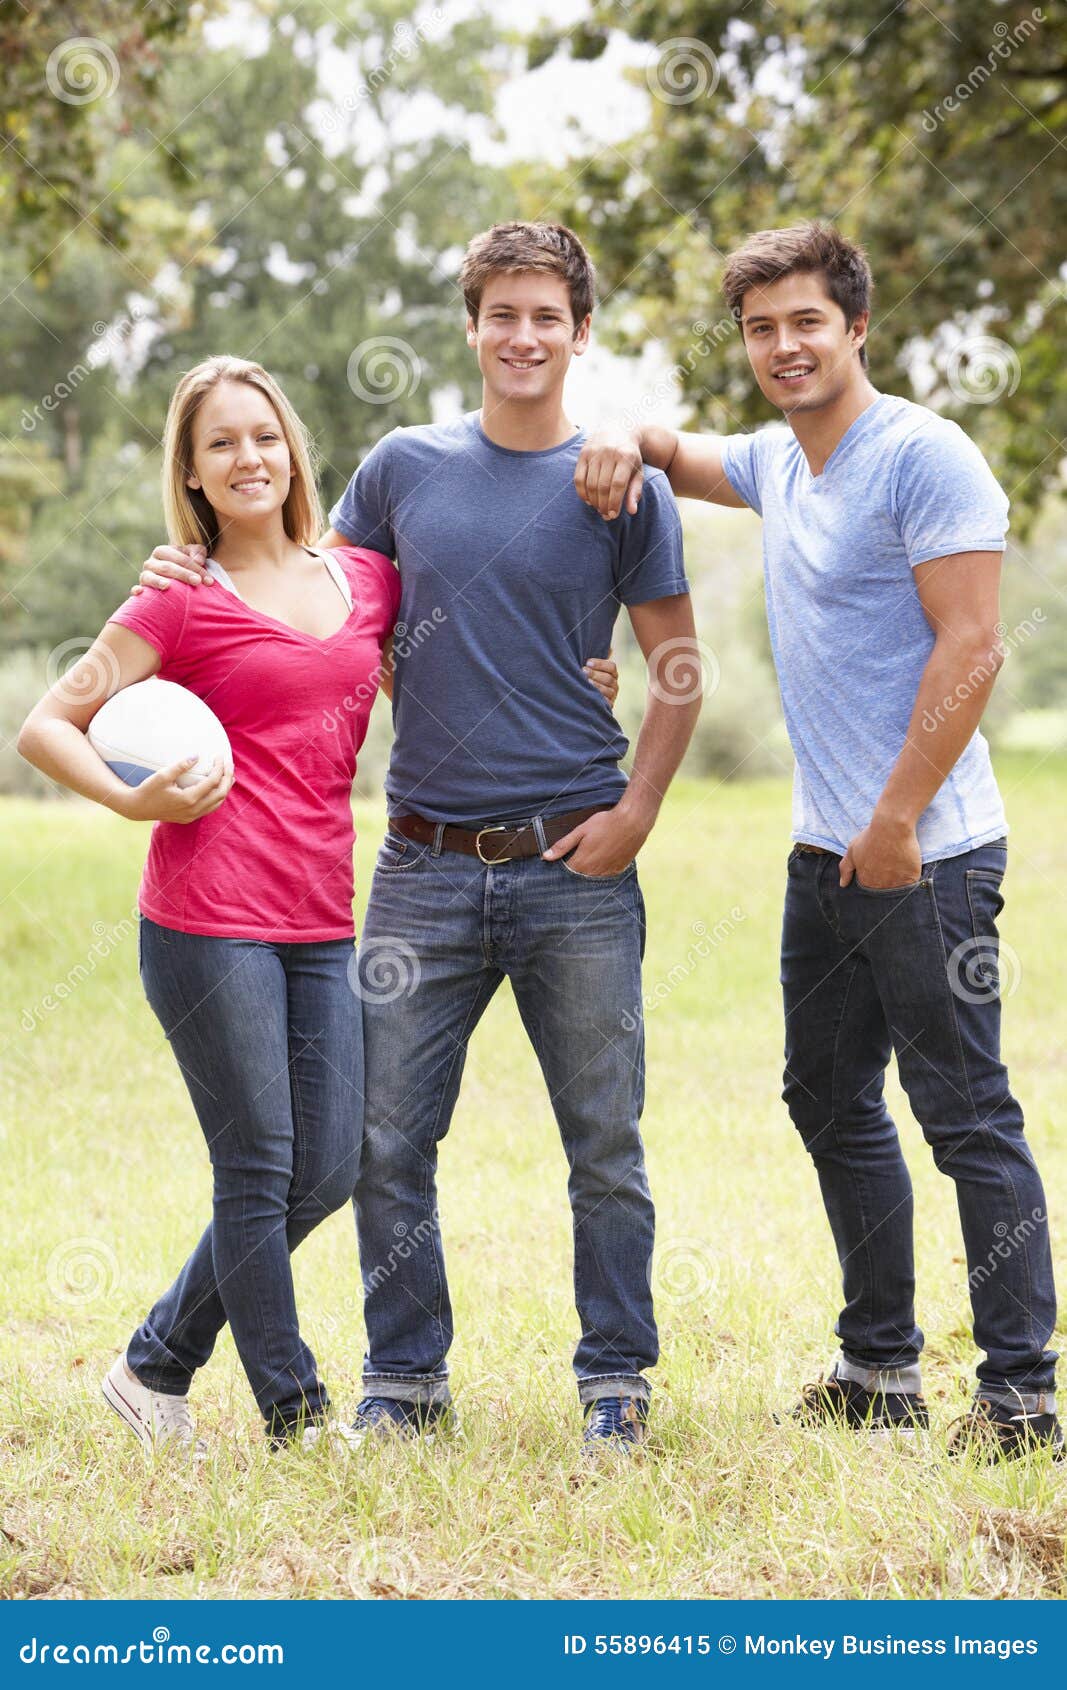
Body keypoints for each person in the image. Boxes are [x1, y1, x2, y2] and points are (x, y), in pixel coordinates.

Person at [137, 221, 700, 1458]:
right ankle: (404, 1381)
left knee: (603, 1139)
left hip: (578, 867)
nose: (522, 335)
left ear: (578, 331)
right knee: (388, 1139)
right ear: (470, 326)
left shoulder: (622, 483)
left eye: (546, 314)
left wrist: (637, 809)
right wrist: (187, 559)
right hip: (421, 867)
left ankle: (615, 1377)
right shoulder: (399, 470)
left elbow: (675, 665)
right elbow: (309, 596)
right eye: (500, 312)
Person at [575, 221, 1060, 1460]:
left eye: (804, 322)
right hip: (823, 854)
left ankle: (1018, 1395)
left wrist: (897, 817)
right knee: (826, 1097)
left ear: (855, 328)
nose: (782, 346)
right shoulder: (782, 460)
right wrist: (619, 434)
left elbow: (971, 647)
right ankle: (879, 1365)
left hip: (928, 851)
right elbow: (672, 452)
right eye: (758, 328)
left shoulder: (923, 457)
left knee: (964, 1115)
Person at [20, 355, 401, 1451]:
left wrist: (585, 676)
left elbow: (454, 661)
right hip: (207, 918)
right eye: (221, 443)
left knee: (325, 1166)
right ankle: (297, 1410)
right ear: (190, 472)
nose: (248, 458)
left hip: (323, 918)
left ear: (293, 449)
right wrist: (131, 799)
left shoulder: (362, 581)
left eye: (264, 435)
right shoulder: (179, 593)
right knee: (257, 1164)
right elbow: (48, 723)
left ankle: (153, 1366)